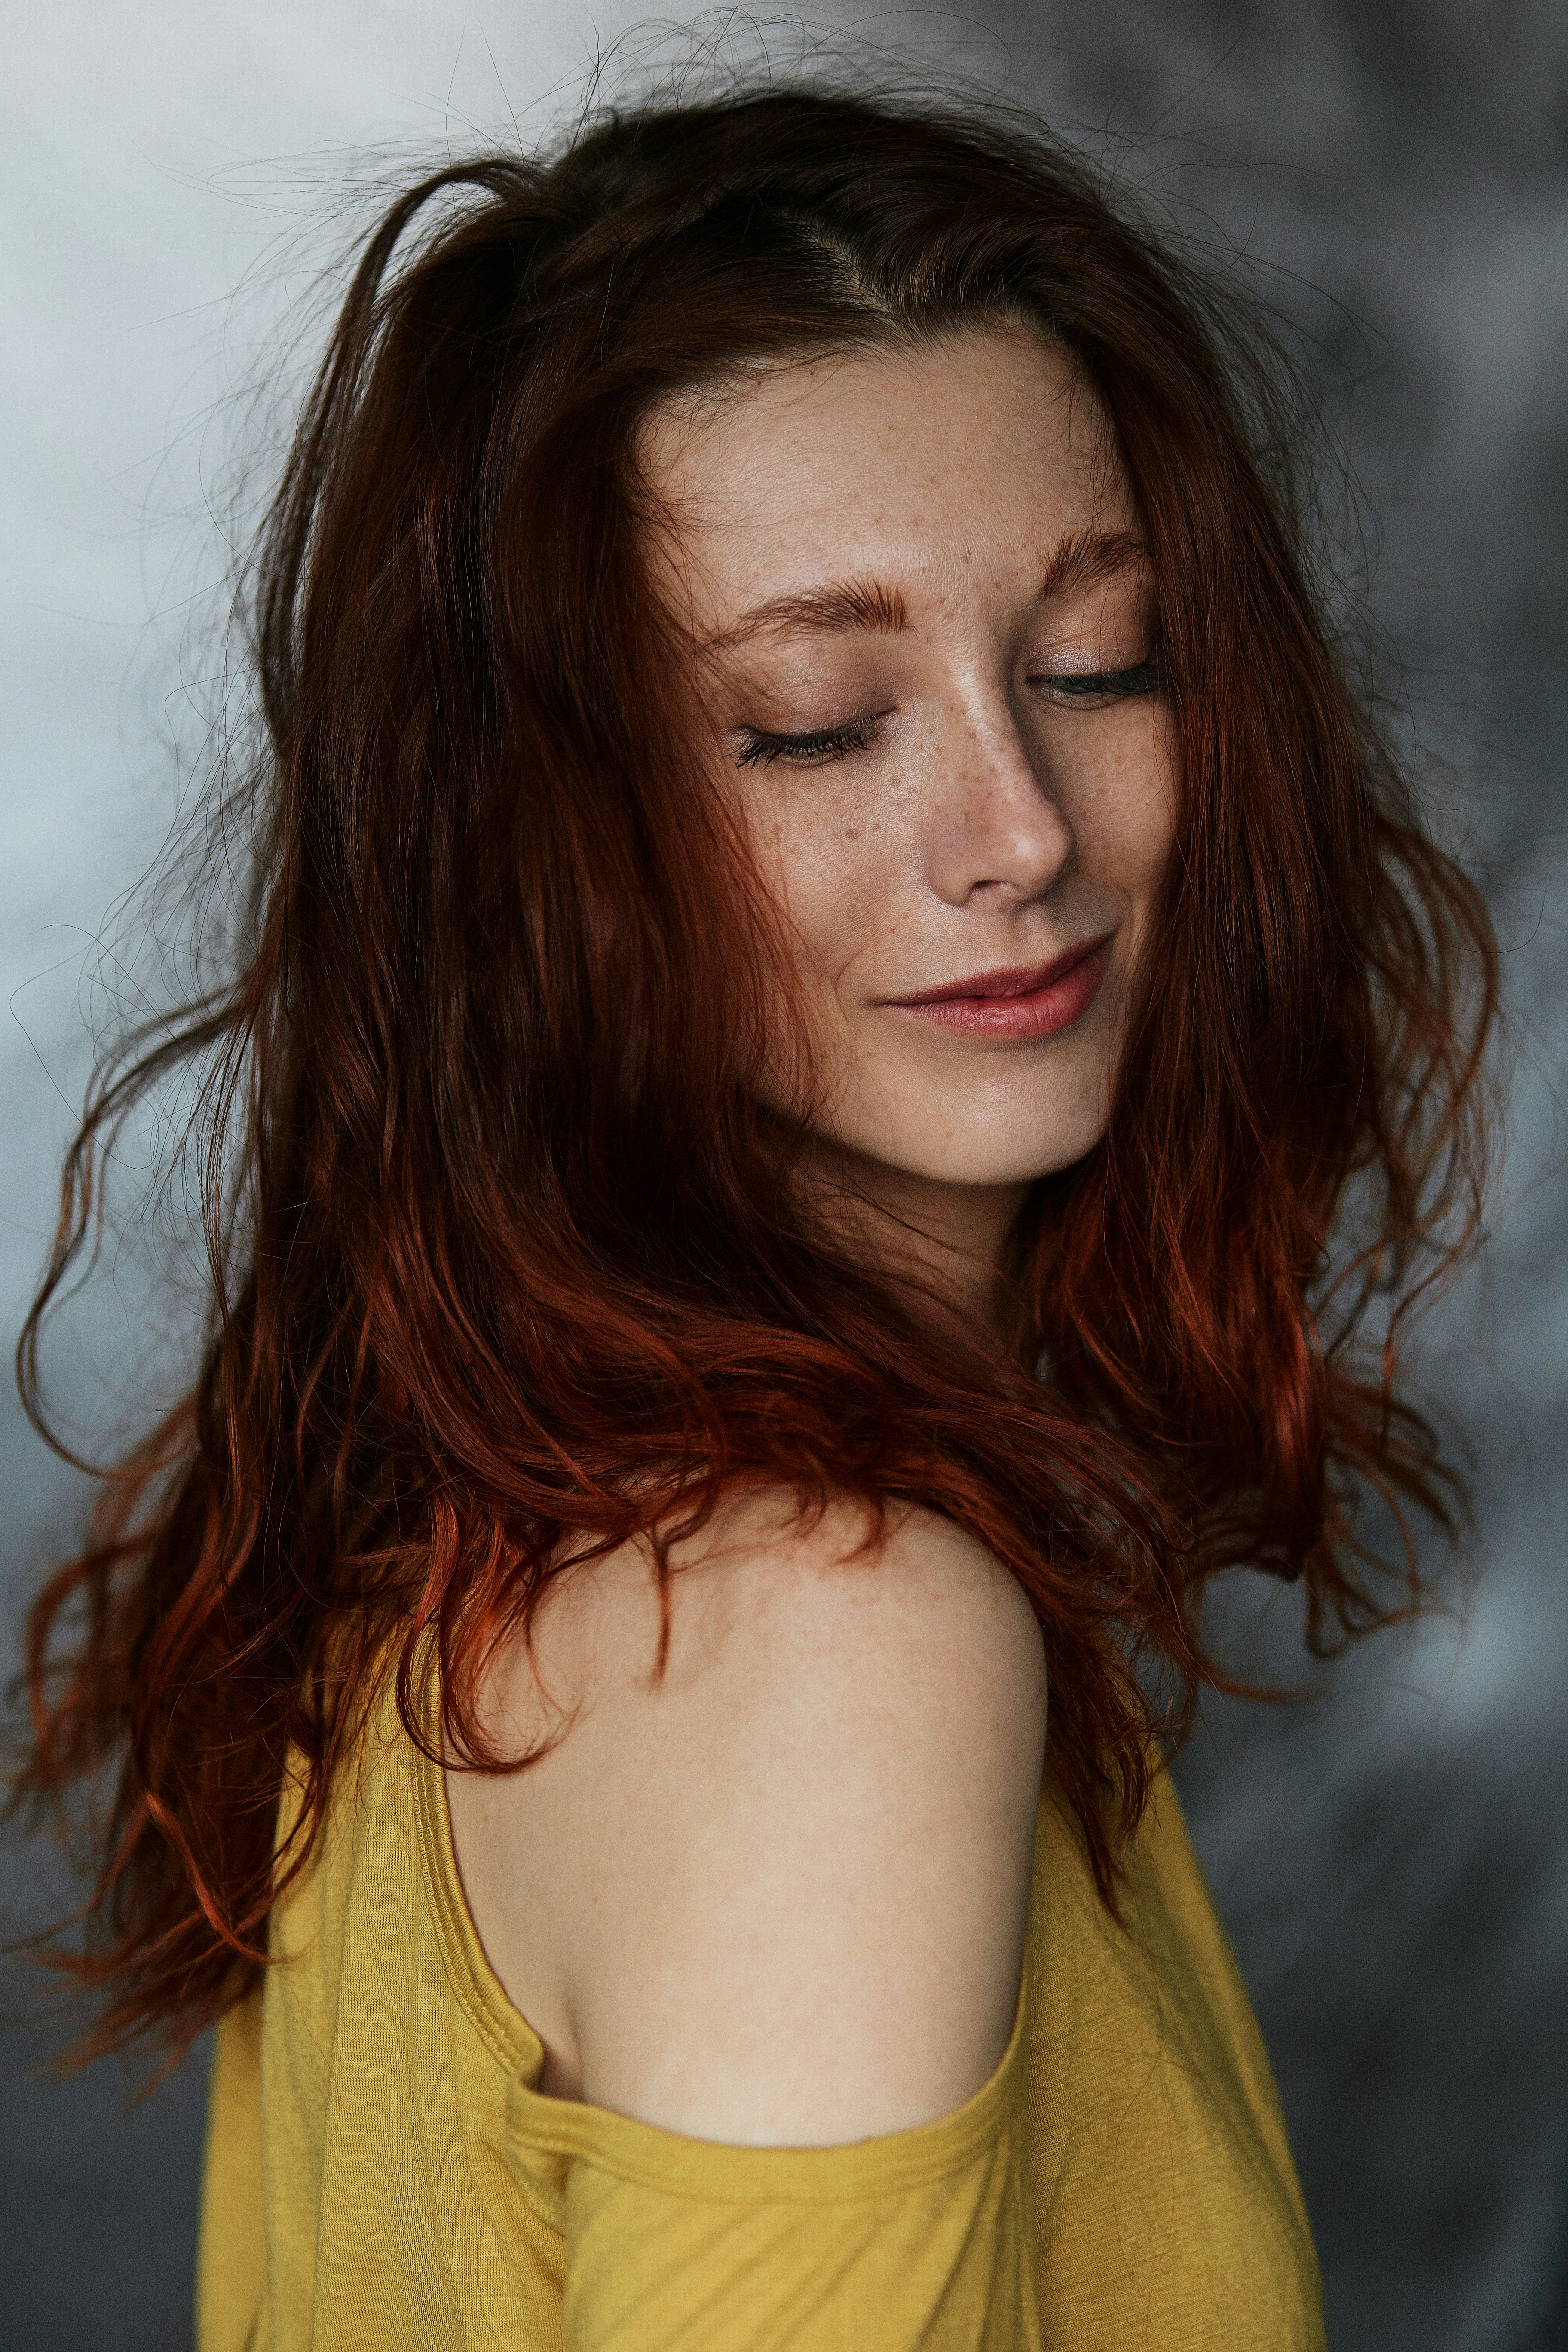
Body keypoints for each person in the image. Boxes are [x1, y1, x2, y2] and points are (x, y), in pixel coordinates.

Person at [15, 71, 1496, 2352]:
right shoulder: (826, 1630)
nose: (1018, 827)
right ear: (530, 850)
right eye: (813, 720)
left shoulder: (496, 1543)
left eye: (1098, 660)